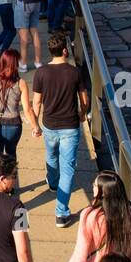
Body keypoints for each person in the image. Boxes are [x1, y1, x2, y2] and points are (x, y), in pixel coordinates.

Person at [31, 32, 88, 228]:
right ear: (65, 50)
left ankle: (53, 183)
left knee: (51, 155)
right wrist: (83, 113)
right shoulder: (74, 73)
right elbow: (84, 100)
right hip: (70, 126)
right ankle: (61, 212)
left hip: (49, 125)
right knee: (68, 168)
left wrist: (35, 125)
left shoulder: (41, 73)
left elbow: (36, 103)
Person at [67, 170, 131, 262]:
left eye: (95, 185)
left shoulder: (91, 216)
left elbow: (80, 253)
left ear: (104, 193)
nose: (93, 186)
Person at [0, 48, 39, 160]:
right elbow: (27, 109)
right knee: (11, 156)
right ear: (15, 64)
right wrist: (36, 127)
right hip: (13, 124)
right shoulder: (21, 83)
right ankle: (11, 176)